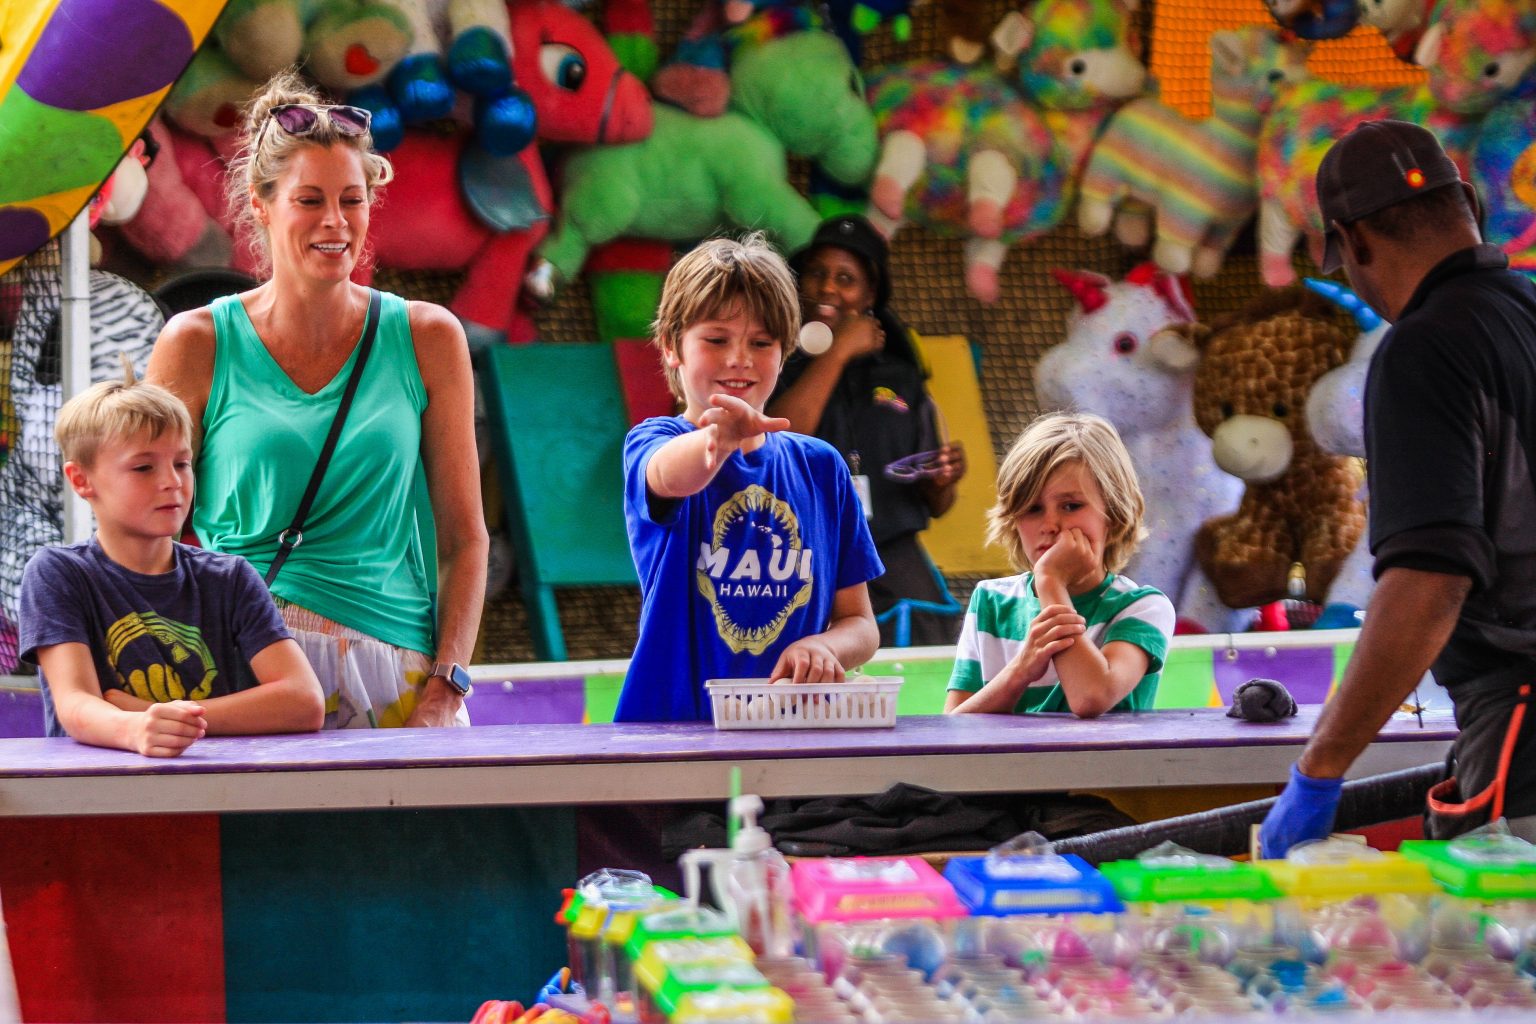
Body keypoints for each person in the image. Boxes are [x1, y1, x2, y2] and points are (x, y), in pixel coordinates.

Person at [147, 72, 488, 729]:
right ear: (261, 204)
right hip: (243, 668)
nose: (335, 222)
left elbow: (464, 540)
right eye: (309, 200)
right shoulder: (196, 342)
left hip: (395, 672)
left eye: (352, 200)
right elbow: (144, 526)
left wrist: (448, 687)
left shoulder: (427, 337)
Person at [1261, 120, 1536, 853]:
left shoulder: (1425, 348)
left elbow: (1428, 581)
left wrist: (1319, 769)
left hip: (1526, 736)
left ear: (1352, 243)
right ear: (1470, 204)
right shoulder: (1527, 313)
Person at [617, 234, 884, 722]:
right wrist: (717, 442)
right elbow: (667, 475)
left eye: (762, 342)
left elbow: (861, 623)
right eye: (717, 339)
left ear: (785, 353)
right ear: (672, 347)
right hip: (673, 734)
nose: (740, 357)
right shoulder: (653, 441)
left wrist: (825, 648)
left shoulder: (822, 468)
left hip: (795, 734)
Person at [18, 369, 324, 756]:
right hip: (99, 799)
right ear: (81, 480)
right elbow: (76, 704)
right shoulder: (58, 573)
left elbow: (303, 701)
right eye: (143, 467)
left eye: (181, 464)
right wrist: (133, 730)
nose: (172, 482)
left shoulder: (231, 577)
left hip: (216, 796)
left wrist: (152, 716)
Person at [768, 215, 967, 646]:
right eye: (817, 274)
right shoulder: (773, 363)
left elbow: (937, 503)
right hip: (800, 548)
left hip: (889, 547)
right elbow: (776, 439)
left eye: (846, 279)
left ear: (870, 295)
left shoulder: (902, 376)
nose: (827, 288)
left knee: (929, 636)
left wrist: (943, 480)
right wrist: (837, 351)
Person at [946, 413, 1175, 719]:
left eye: (1071, 506)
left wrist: (1051, 582)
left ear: (1115, 515)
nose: (1050, 524)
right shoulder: (991, 601)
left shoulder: (1143, 607)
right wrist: (1021, 670)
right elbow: (953, 726)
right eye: (1032, 509)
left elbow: (1091, 696)